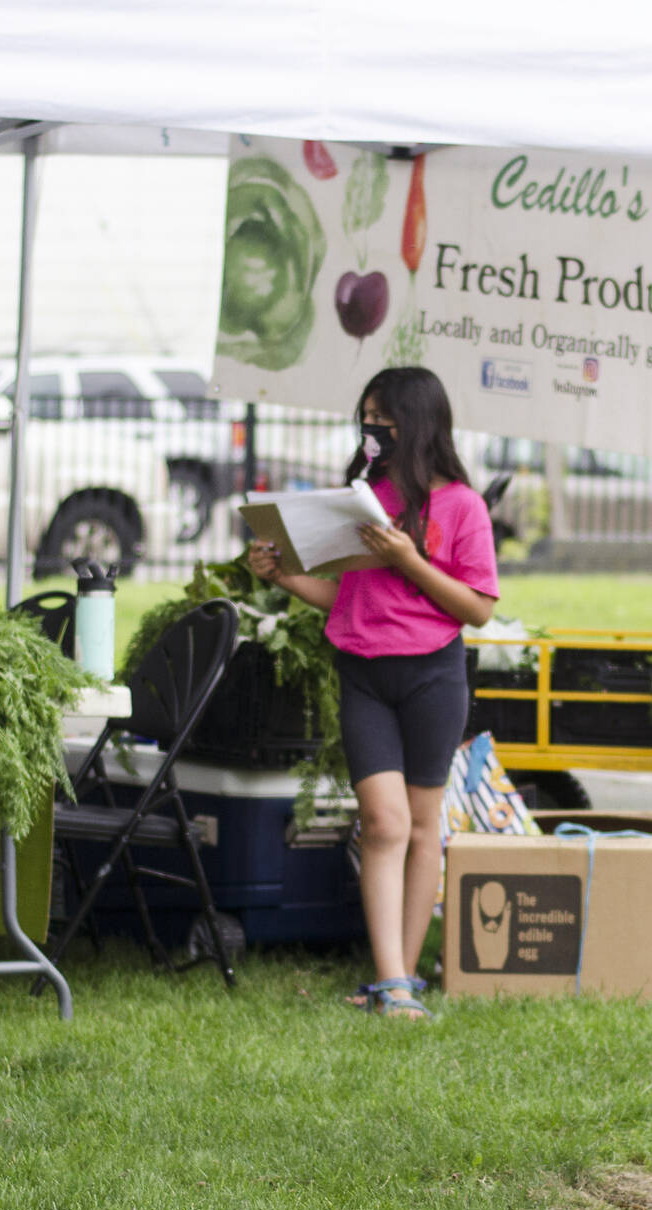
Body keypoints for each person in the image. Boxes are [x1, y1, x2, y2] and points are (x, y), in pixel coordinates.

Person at [247, 368, 498, 1019]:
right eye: (365, 418)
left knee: (421, 827)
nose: (371, 431)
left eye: (382, 419)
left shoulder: (463, 505)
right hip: (363, 673)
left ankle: (399, 981)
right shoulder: (363, 498)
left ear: (417, 423)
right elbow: (344, 597)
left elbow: (477, 611)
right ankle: (391, 980)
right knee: (382, 822)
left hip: (433, 677)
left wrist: (409, 560)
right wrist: (283, 577)